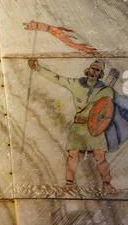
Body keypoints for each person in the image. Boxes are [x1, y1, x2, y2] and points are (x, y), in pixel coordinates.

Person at [28, 57, 117, 194]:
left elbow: (107, 112)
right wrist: (38, 68)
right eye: (93, 69)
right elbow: (57, 78)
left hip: (95, 129)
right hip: (79, 126)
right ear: (88, 70)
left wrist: (100, 125)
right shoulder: (76, 84)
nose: (95, 72)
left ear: (101, 74)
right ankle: (69, 184)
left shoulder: (106, 91)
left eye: (98, 70)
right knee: (73, 155)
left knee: (100, 157)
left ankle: (107, 184)